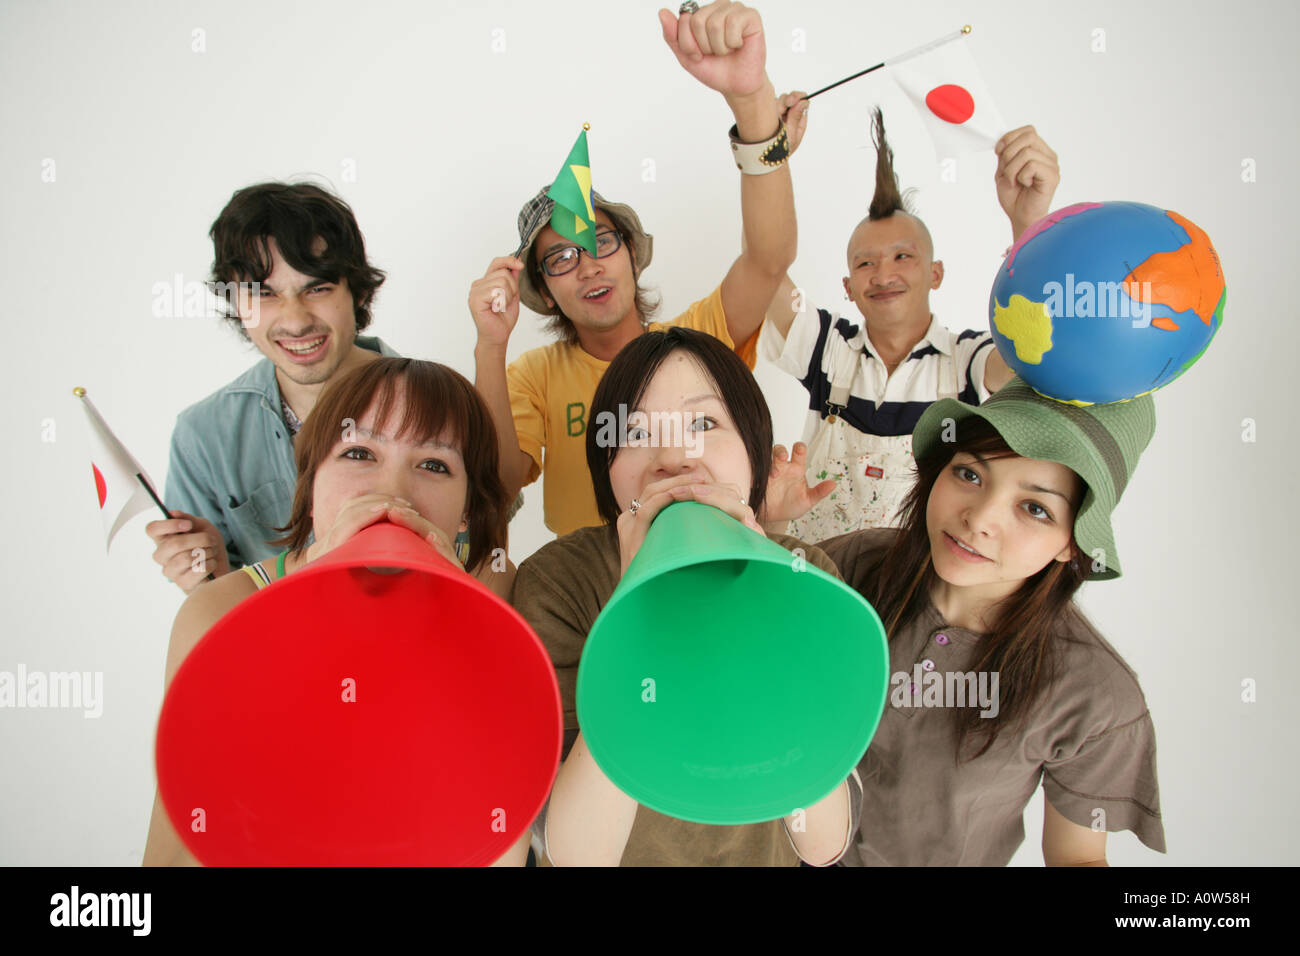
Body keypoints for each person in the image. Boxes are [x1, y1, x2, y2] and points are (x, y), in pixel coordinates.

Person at [142, 358, 528, 866]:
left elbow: (495, 834)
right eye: (359, 452)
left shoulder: (494, 592)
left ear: (465, 515)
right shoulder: (219, 613)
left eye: (434, 464)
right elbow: (174, 848)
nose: (391, 490)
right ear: (309, 491)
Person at [511, 327, 860, 866]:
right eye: (638, 431)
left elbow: (821, 844)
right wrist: (636, 607)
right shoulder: (560, 582)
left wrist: (763, 595)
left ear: (753, 452)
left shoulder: (805, 572)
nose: (672, 458)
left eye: (703, 423)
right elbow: (576, 855)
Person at [471, 0, 797, 538]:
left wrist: (752, 106)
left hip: (707, 555)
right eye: (562, 257)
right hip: (591, 586)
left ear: (630, 252)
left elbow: (768, 259)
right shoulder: (535, 375)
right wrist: (488, 344)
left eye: (600, 241)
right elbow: (499, 481)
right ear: (546, 292)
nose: (589, 266)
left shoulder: (696, 341)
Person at [819, 378, 1166, 865]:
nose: (979, 518)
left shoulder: (1095, 696)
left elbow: (1076, 857)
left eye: (1034, 508)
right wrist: (764, 529)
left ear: (1074, 542)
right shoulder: (853, 566)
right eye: (970, 475)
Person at [760, 102, 1063, 540]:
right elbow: (767, 269)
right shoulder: (826, 347)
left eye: (903, 256)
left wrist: (1028, 220)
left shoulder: (968, 361)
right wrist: (769, 160)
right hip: (820, 585)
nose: (883, 275)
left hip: (917, 594)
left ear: (935, 273)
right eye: (866, 263)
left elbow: (1033, 353)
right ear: (847, 286)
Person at [145, 182, 398, 592]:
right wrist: (213, 577)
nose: (295, 321)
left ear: (357, 289)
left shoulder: (440, 408)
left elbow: (478, 559)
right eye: (264, 294)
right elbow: (218, 614)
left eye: (316, 288)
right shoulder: (202, 435)